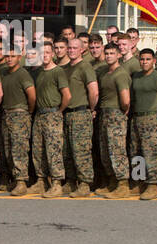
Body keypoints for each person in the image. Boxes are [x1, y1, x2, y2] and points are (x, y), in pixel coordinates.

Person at [31, 41, 71, 198]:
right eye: (42, 53)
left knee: (54, 150)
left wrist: (58, 111)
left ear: (53, 54)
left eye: (47, 52)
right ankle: (41, 181)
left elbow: (67, 96)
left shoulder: (58, 72)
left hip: (52, 114)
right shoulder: (40, 72)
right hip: (40, 115)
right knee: (38, 149)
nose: (45, 55)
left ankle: (56, 183)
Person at [94, 43, 133, 198]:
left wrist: (122, 111)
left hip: (116, 113)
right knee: (105, 150)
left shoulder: (121, 74)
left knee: (117, 149)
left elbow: (125, 100)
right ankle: (112, 182)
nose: (109, 56)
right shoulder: (104, 72)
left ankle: (122, 184)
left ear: (118, 55)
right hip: (104, 113)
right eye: (107, 53)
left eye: (112, 53)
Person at [63, 36, 99, 197]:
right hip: (67, 114)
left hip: (81, 113)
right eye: (69, 48)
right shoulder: (65, 68)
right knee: (67, 151)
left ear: (82, 50)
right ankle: (71, 181)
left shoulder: (85, 67)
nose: (71, 51)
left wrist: (90, 109)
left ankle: (84, 184)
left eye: (74, 48)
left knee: (81, 150)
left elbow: (94, 91)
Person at [0, 46, 36, 195]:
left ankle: (21, 182)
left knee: (19, 149)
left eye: (13, 56)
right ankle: (15, 178)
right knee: (8, 150)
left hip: (19, 114)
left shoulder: (22, 74)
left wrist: (29, 111)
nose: (9, 59)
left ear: (19, 57)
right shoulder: (5, 74)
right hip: (7, 115)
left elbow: (32, 95)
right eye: (7, 56)